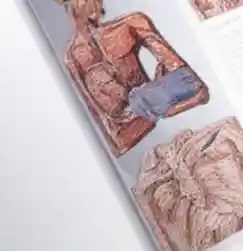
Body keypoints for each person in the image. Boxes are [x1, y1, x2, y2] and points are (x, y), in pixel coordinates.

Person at [55, 0, 211, 156]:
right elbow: (93, 111)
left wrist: (174, 86)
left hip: (152, 106)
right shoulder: (73, 56)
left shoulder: (130, 24)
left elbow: (185, 75)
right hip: (127, 131)